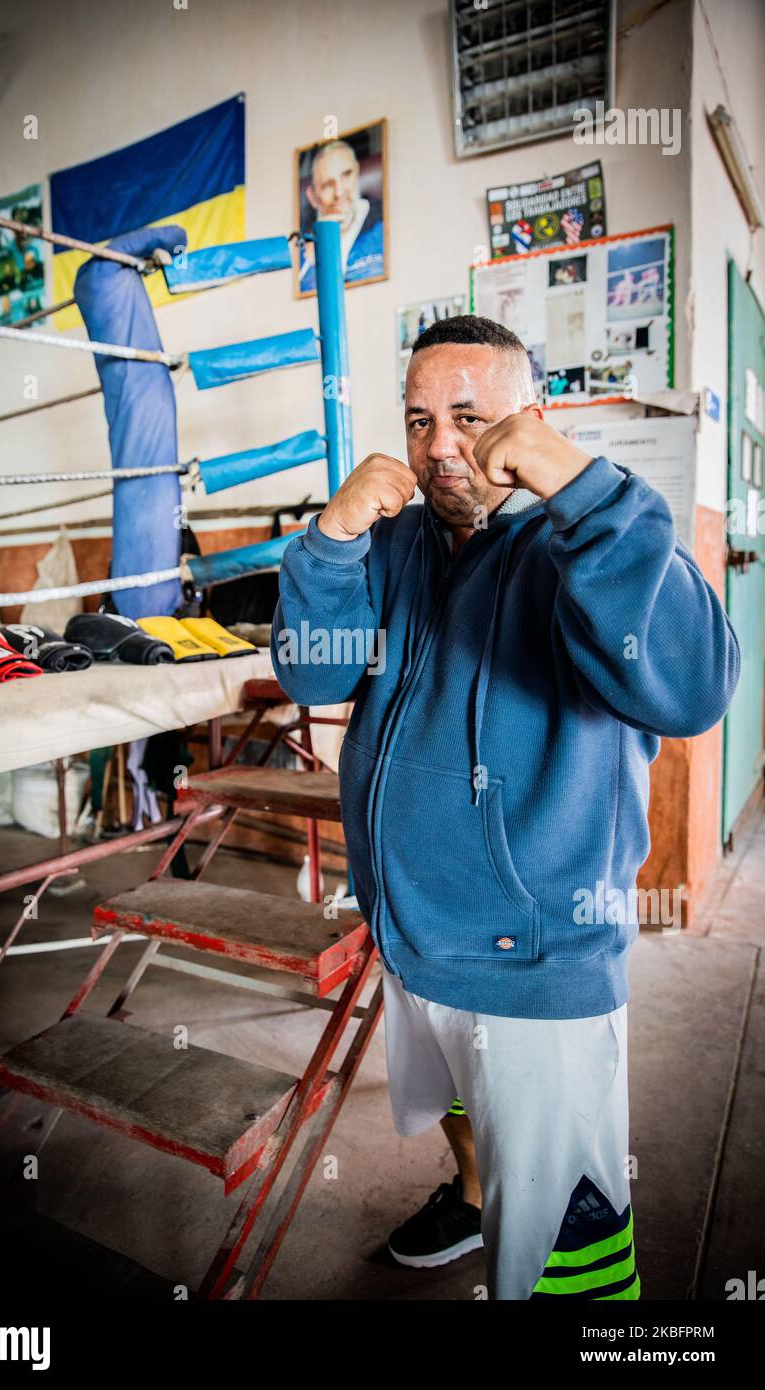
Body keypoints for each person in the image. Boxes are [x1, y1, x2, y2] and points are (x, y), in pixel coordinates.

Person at [270, 315, 739, 1300]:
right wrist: (329, 539)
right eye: (418, 419)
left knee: (570, 1230)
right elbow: (312, 670)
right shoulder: (397, 542)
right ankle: (473, 1199)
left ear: (531, 419)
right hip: (411, 932)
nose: (439, 444)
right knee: (460, 1114)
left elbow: (692, 686)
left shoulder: (589, 538)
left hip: (534, 960)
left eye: (468, 417)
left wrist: (579, 487)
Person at [299, 138, 384, 292]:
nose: (339, 192)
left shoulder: (382, 227)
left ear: (357, 173)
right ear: (313, 196)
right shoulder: (303, 248)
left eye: (346, 175)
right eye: (327, 185)